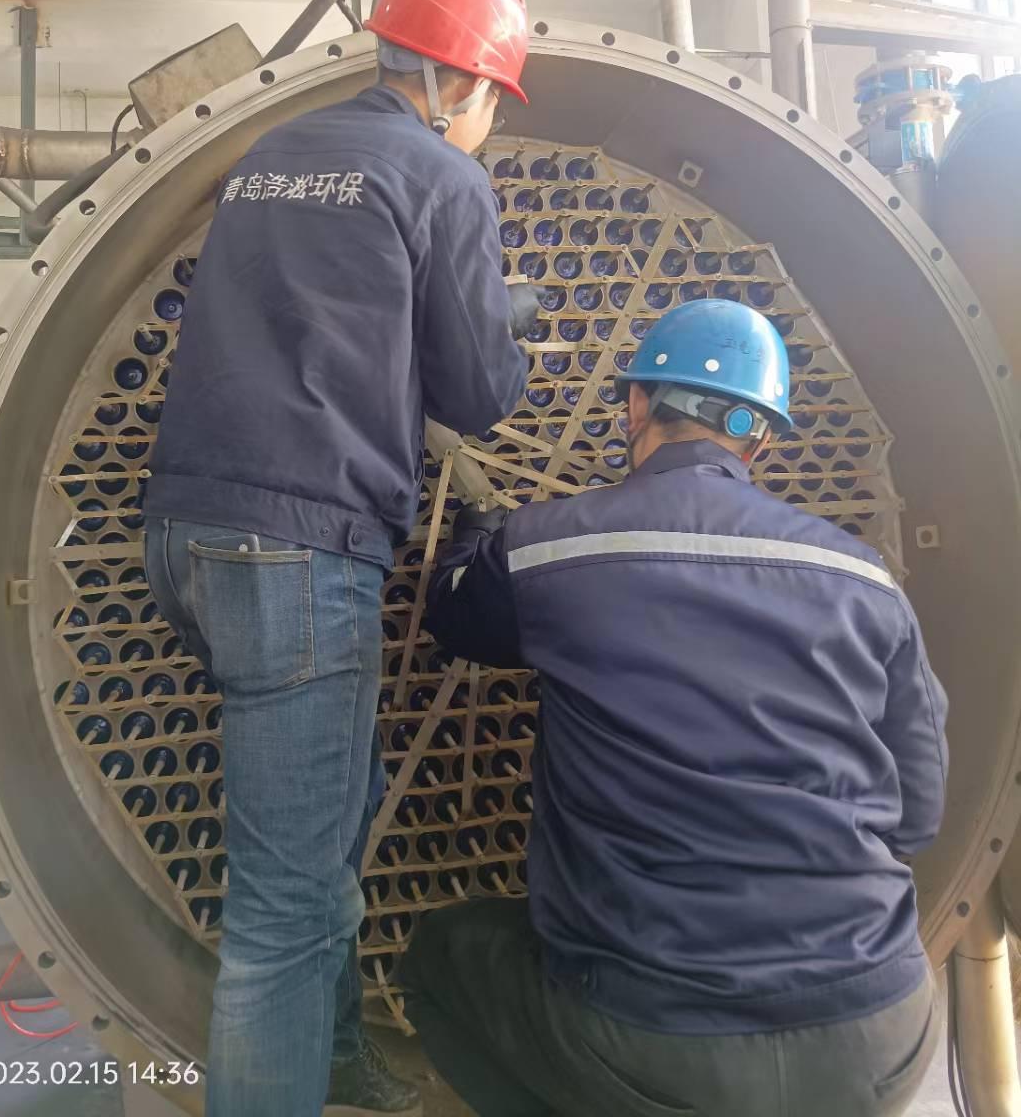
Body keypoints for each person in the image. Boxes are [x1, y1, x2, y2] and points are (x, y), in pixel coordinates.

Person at [143, 0, 539, 1117]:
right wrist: (505, 325)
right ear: (463, 84)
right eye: (495, 101)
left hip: (184, 535)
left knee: (334, 808)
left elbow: (319, 313)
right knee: (282, 909)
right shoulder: (442, 177)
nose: (487, 124)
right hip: (297, 551)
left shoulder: (272, 155)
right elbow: (477, 393)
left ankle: (332, 1058)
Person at [406, 297, 949, 1117]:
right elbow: (918, 817)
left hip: (656, 1040)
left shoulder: (556, 546)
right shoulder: (866, 579)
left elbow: (452, 616)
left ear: (635, 405)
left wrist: (478, 538)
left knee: (443, 957)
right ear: (760, 439)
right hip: (884, 1030)